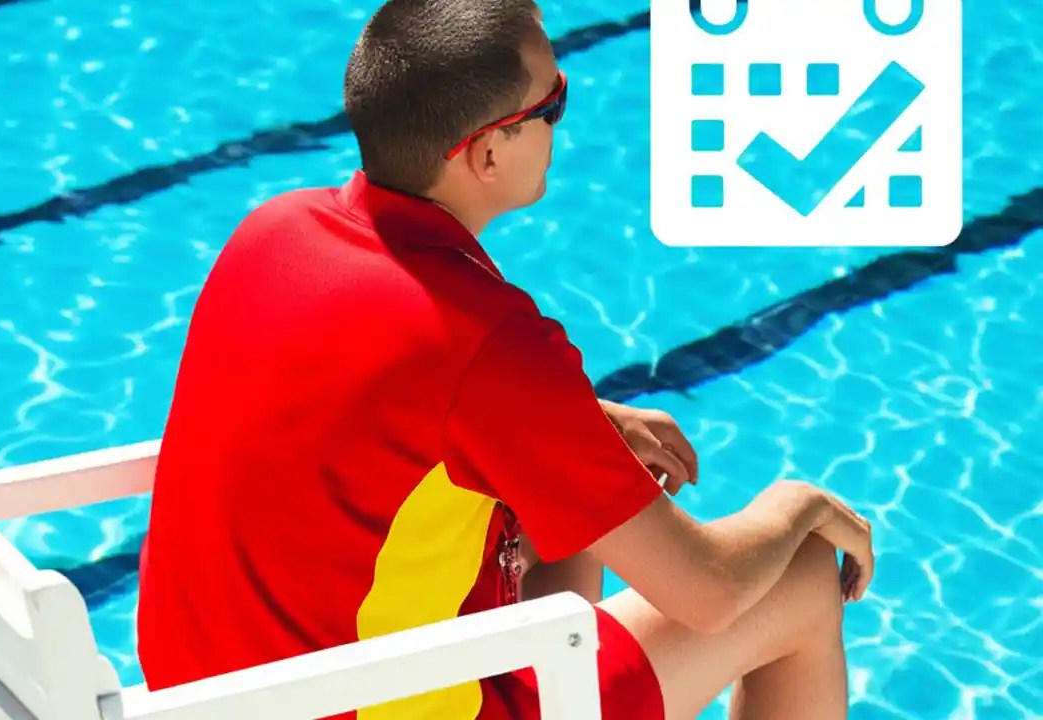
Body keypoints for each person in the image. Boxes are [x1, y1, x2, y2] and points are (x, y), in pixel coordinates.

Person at [135, 1, 876, 718]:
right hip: (369, 710)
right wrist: (798, 504)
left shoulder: (272, 229)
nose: (560, 122)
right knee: (800, 576)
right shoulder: (486, 343)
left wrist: (581, 427)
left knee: (546, 526)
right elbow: (709, 591)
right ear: (487, 152)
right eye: (552, 103)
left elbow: (359, 408)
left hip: (210, 699)